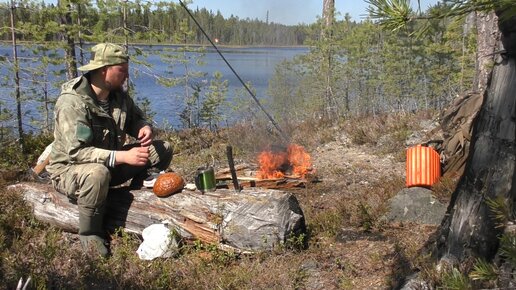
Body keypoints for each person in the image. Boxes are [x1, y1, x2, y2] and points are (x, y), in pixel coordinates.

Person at [46, 43, 173, 256]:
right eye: (122, 70)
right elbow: (76, 153)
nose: (127, 75)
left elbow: (135, 117)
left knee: (163, 149)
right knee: (97, 173)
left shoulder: (118, 96)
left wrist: (143, 127)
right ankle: (90, 233)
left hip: (109, 165)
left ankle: (138, 194)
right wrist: (123, 156)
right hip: (70, 171)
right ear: (104, 69)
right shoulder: (73, 102)